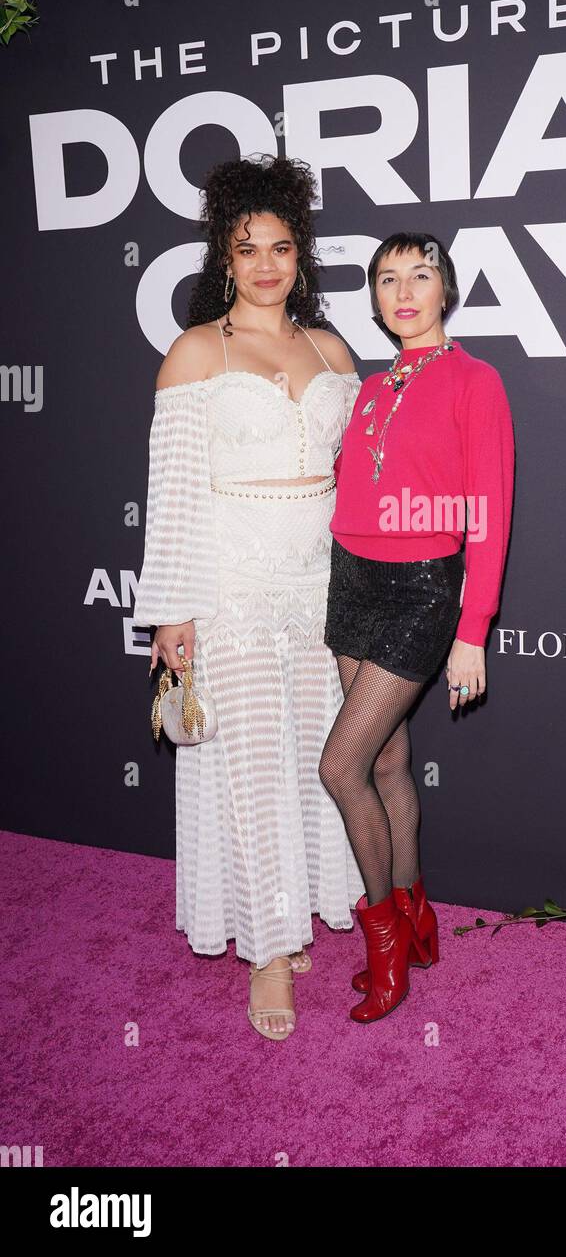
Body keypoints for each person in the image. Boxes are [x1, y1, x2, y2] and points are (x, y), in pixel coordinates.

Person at [132, 154, 365, 1041]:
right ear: (222, 258)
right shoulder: (197, 352)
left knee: (315, 764)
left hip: (319, 593)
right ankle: (268, 953)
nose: (266, 263)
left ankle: (295, 908)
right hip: (231, 588)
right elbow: (174, 492)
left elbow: (357, 486)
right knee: (252, 772)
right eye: (246, 247)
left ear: (299, 254)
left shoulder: (331, 349)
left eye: (281, 246)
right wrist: (173, 610)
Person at [319, 233, 515, 1023]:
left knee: (341, 766)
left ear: (446, 291)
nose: (404, 292)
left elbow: (488, 516)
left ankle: (386, 947)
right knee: (390, 760)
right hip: (351, 583)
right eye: (387, 279)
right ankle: (417, 914)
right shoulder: (368, 387)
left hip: (421, 593)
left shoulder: (477, 381)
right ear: (373, 298)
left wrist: (474, 629)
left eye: (420, 275)